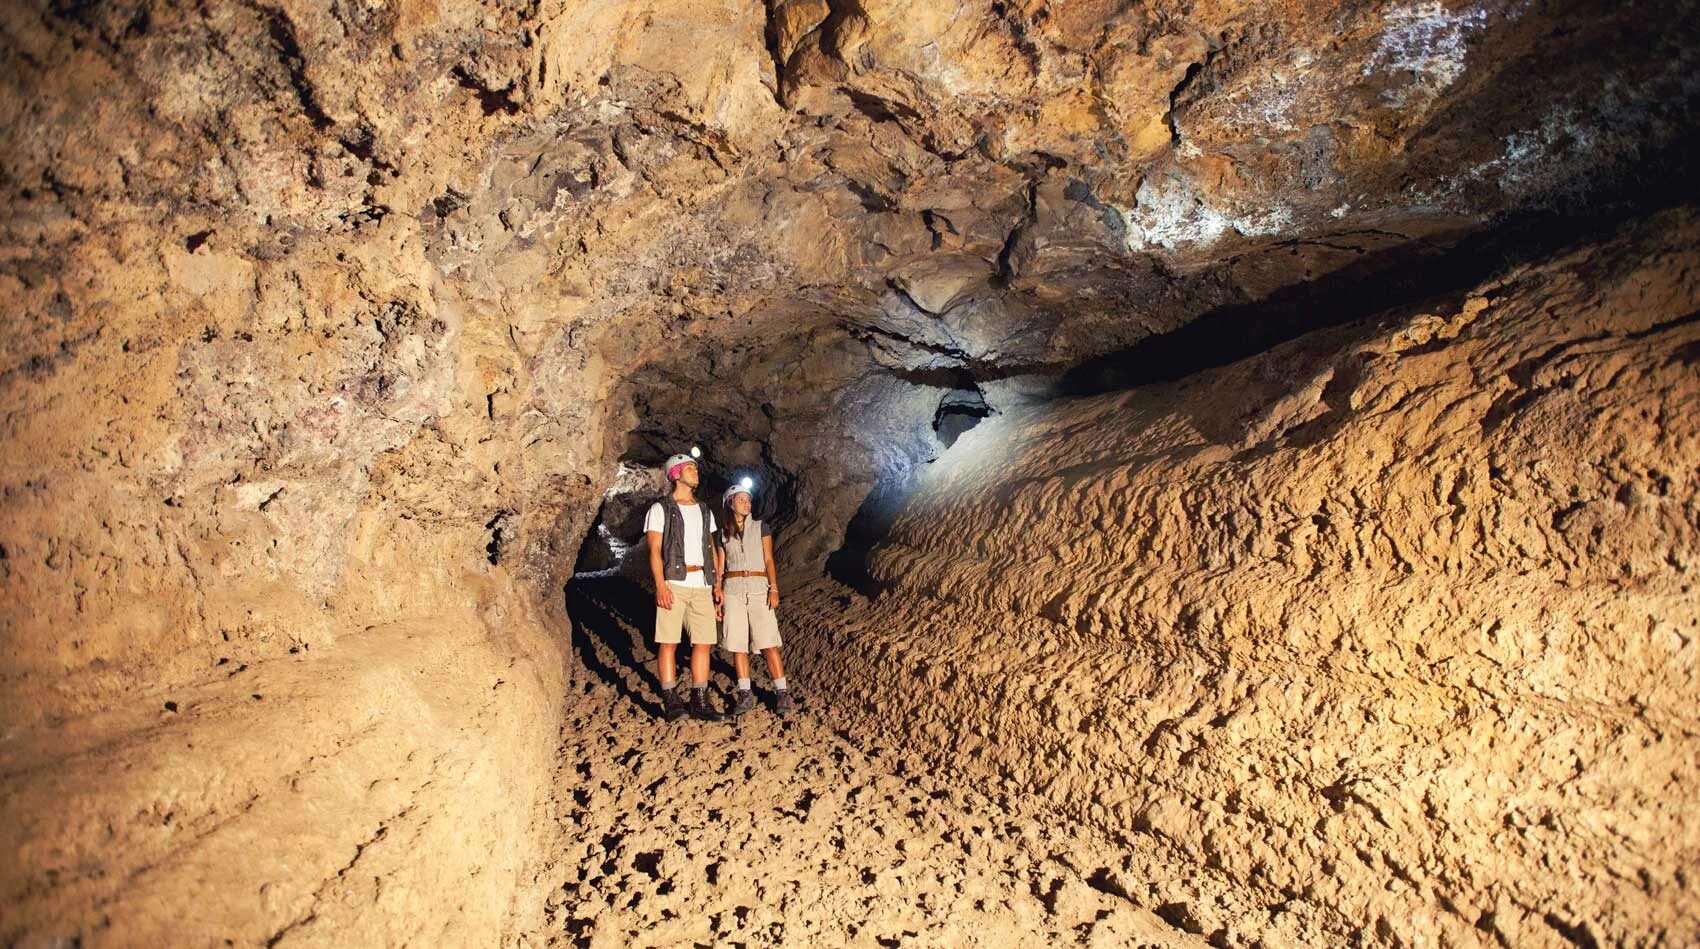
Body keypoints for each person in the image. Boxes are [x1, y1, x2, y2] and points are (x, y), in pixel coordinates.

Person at [644, 453, 725, 722]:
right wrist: (660, 585)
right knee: (669, 642)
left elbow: (710, 547)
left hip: (701, 583)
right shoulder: (660, 509)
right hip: (674, 583)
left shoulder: (704, 509)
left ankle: (700, 700)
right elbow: (654, 550)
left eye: (696, 468)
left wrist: (716, 584)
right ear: (675, 474)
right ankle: (671, 700)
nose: (696, 472)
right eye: (690, 468)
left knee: (703, 643)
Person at [713, 482, 792, 716]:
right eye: (741, 499)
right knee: (738, 645)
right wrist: (717, 593)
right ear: (730, 503)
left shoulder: (761, 527)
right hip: (733, 589)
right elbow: (720, 567)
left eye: (748, 499)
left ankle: (782, 693)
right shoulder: (722, 534)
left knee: (768, 642)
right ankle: (745, 694)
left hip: (759, 587)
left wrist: (774, 588)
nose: (747, 502)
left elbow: (769, 559)